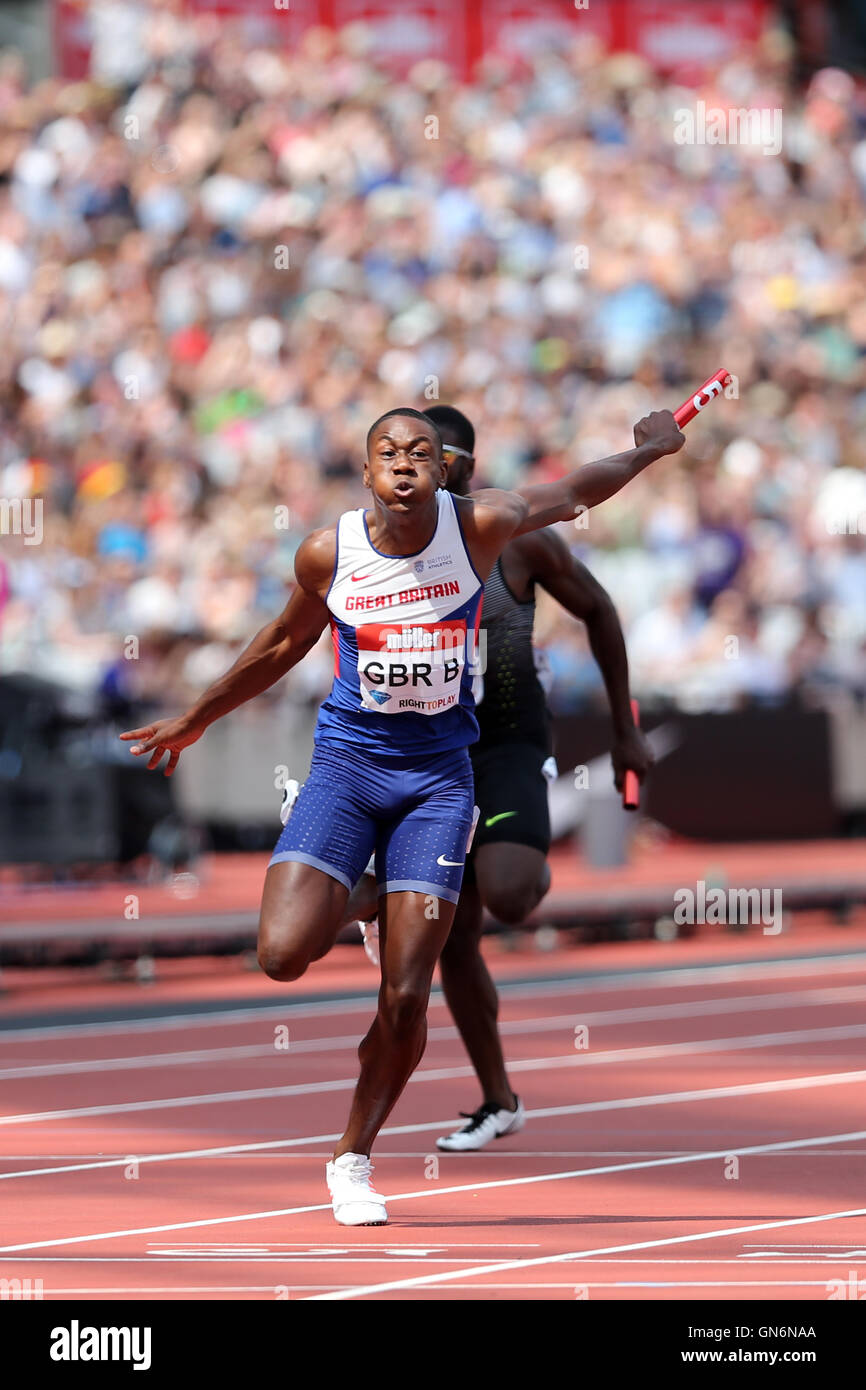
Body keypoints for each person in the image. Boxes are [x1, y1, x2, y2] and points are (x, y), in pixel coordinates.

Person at [121, 404, 685, 1225]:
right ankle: (364, 882)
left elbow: (571, 492)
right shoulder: (330, 551)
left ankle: (352, 1157)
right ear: (367, 470)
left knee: (408, 995)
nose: (407, 460)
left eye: (421, 449)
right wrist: (199, 716)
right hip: (347, 772)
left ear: (442, 468)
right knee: (280, 954)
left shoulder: (482, 527)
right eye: (389, 450)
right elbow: (280, 644)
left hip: (438, 785)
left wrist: (649, 451)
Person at [425, 404, 653, 1150]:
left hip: (506, 746)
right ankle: (499, 1100)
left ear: (466, 466)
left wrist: (624, 729)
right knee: (451, 940)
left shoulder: (517, 540)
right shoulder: (380, 550)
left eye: (440, 457)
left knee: (512, 895)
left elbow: (600, 607)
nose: (426, 472)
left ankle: (512, 849)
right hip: (428, 754)